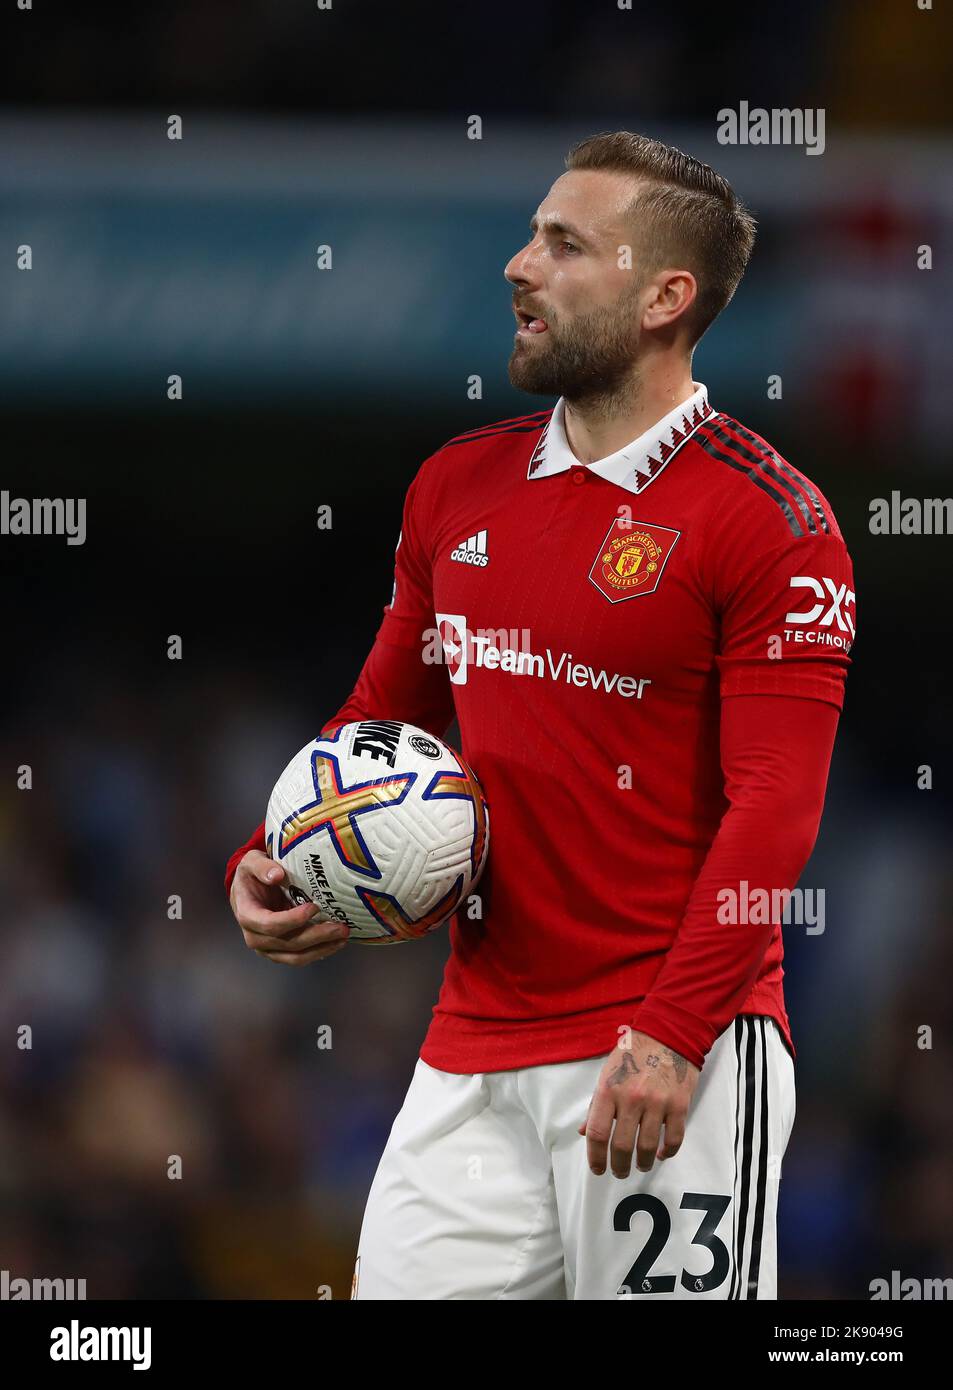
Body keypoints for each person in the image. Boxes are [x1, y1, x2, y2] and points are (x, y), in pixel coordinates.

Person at [225, 131, 856, 1300]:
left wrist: (674, 1034)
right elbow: (379, 712)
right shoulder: (453, 486)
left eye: (562, 244)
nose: (518, 265)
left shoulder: (772, 519)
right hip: (470, 1048)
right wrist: (279, 854)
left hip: (677, 1050)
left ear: (665, 296)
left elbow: (777, 807)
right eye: (528, 235)